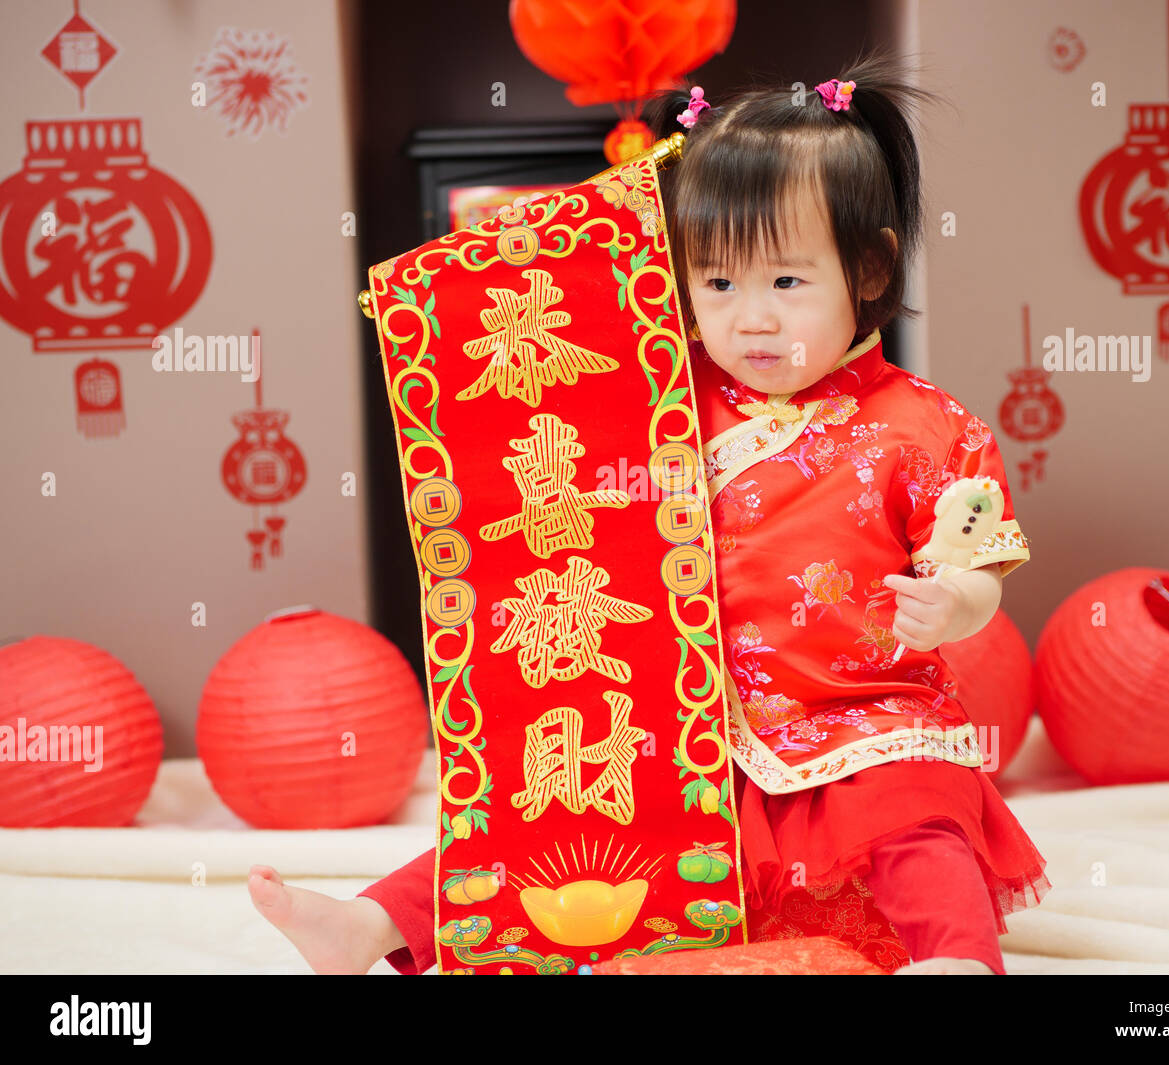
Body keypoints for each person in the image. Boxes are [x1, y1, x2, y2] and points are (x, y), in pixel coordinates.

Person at [248, 48, 1050, 976]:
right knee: (556, 815)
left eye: (787, 283)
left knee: (917, 802)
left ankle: (955, 957)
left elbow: (975, 566)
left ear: (868, 268)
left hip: (861, 714)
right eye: (719, 283)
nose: (751, 318)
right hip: (685, 715)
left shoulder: (923, 423)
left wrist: (953, 604)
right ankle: (371, 925)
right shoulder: (660, 391)